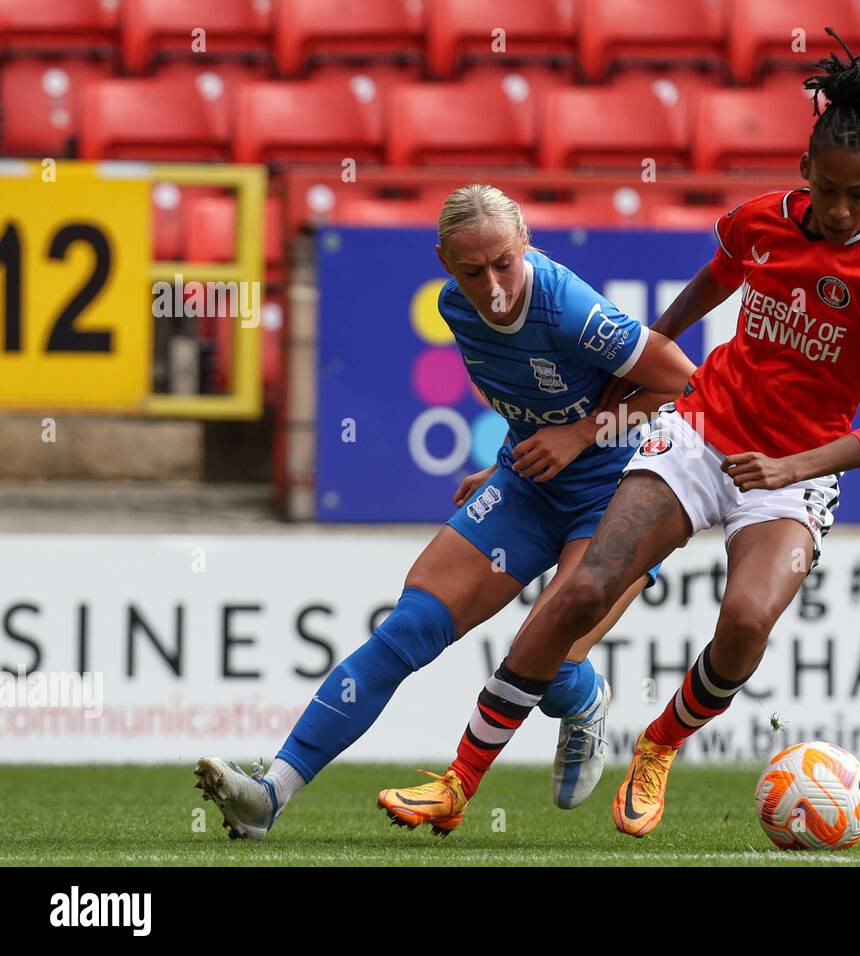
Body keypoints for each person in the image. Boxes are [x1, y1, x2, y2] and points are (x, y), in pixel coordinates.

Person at [376, 28, 860, 839]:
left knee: (746, 622)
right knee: (581, 591)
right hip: (702, 432)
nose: (842, 209)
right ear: (806, 171)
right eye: (829, 190)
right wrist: (640, 369)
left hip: (793, 470)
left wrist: (792, 469)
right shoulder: (760, 223)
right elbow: (711, 284)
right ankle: (459, 782)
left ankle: (659, 744)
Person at [194, 184, 695, 838]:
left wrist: (577, 436)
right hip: (531, 483)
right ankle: (269, 796)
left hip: (618, 493)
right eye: (471, 270)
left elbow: (680, 378)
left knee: (543, 656)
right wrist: (510, 459)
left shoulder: (570, 307)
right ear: (443, 262)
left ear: (526, 245)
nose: (491, 286)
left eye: (504, 264)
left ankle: (583, 698)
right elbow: (531, 397)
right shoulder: (457, 309)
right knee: (407, 630)